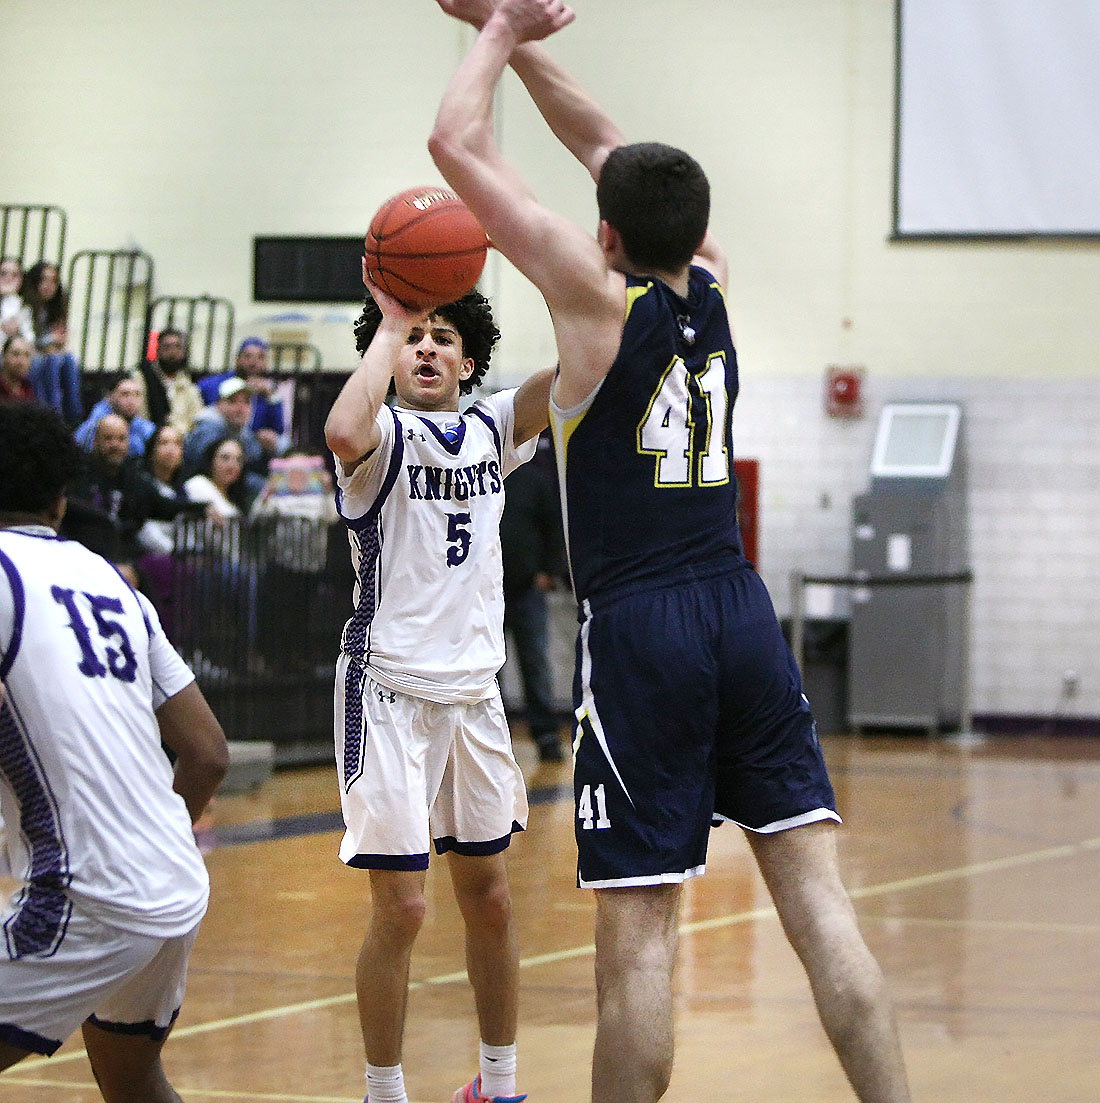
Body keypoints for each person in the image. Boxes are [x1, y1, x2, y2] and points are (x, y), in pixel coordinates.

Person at [429, 3, 912, 1102]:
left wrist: (498, 31)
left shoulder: (592, 294)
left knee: (639, 937)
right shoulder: (711, 278)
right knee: (819, 907)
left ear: (604, 232)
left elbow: (456, 145)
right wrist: (524, 36)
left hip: (642, 624)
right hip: (737, 606)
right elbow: (613, 151)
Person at [324, 273, 553, 1103]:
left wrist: (577, 284)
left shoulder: (492, 426)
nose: (427, 346)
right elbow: (341, 425)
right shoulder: (378, 434)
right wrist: (391, 322)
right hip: (387, 692)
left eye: (443, 336)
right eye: (414, 335)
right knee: (405, 909)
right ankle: (384, 1092)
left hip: (474, 696)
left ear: (469, 361)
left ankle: (497, 1085)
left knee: (489, 897)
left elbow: (565, 380)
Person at [0, 402, 229, 1100]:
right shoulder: (111, 582)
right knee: (133, 1079)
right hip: (174, 884)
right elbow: (209, 751)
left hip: (86, 895)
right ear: (61, 500)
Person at [499, 429, 566, 762]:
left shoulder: (534, 480)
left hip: (527, 589)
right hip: (485, 594)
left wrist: (548, 573)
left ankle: (546, 735)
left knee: (535, 665)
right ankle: (492, 740)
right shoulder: (478, 478)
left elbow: (554, 529)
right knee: (485, 670)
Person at [199, 337, 291, 461]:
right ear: (238, 360)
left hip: (252, 439)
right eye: (248, 356)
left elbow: (278, 429)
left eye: (260, 357)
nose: (253, 362)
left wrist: (271, 396)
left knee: (283, 444)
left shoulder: (266, 390)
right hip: (224, 431)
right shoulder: (218, 383)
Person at [22, 260, 84, 428]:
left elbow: (59, 345)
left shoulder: (53, 309)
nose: (49, 286)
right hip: (26, 358)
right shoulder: (25, 306)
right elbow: (28, 342)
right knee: (52, 361)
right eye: (44, 280)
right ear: (34, 282)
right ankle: (52, 417)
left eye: (53, 281)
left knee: (69, 360)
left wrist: (58, 344)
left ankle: (74, 417)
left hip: (44, 357)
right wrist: (52, 340)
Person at [183, 376, 267, 495]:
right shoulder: (208, 426)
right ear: (219, 404)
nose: (240, 408)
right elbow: (206, 469)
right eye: (233, 401)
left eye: (246, 402)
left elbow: (255, 457)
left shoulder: (241, 428)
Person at [135, 327, 205, 436]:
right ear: (157, 350)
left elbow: (198, 419)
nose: (172, 352)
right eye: (167, 347)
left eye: (177, 347)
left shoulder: (188, 385)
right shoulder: (142, 378)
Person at [74, 370, 156, 456]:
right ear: (110, 396)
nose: (132, 401)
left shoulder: (141, 424)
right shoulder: (96, 423)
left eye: (136, 394)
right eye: (125, 394)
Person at [0, 257, 34, 345]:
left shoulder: (24, 307)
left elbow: (29, 340)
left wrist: (18, 333)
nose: (8, 278)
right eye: (3, 273)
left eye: (14, 275)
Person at [0, 335, 36, 404]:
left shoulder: (29, 389)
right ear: (4, 357)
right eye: (15, 354)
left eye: (27, 355)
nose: (22, 361)